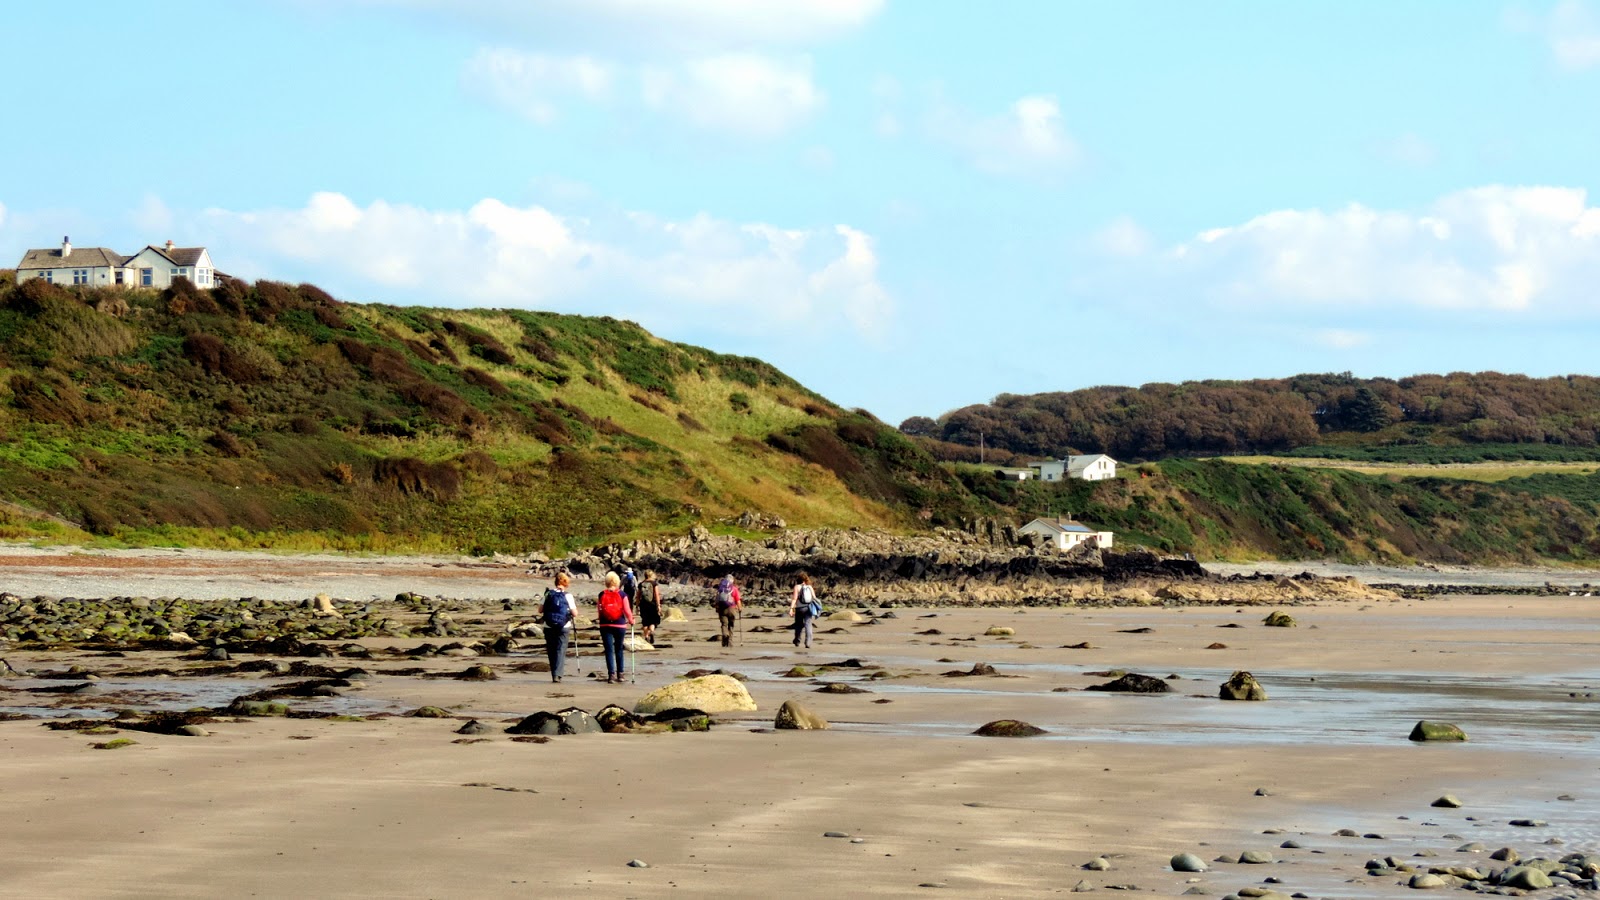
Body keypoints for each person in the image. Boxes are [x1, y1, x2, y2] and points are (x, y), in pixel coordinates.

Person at [596, 571, 634, 683]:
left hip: (605, 624)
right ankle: (620, 674)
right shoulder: (622, 594)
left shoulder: (601, 594)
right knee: (619, 649)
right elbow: (627, 610)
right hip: (619, 624)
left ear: (606, 582)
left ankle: (611, 675)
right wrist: (631, 620)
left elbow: (599, 610)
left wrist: (601, 619)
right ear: (617, 581)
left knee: (608, 650)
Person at [540, 572, 578, 682]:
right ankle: (558, 674)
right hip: (564, 625)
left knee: (551, 650)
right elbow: (574, 613)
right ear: (565, 583)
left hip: (548, 625)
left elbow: (540, 610)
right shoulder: (568, 595)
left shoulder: (548, 594)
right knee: (561, 649)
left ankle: (554, 674)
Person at [788, 572, 819, 649]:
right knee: (808, 624)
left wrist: (791, 609)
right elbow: (814, 598)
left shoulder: (797, 587)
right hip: (808, 608)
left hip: (799, 609)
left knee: (798, 625)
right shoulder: (810, 587)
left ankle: (797, 640)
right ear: (805, 579)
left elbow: (794, 599)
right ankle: (808, 642)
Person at [714, 574, 742, 648]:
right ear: (732, 581)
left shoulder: (720, 589)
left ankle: (724, 636)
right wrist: (740, 609)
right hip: (732, 609)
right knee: (731, 625)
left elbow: (717, 600)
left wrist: (717, 608)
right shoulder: (734, 589)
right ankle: (730, 641)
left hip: (722, 609)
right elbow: (738, 600)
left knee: (724, 625)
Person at [637, 569, 663, 645]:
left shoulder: (641, 584)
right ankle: (651, 631)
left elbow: (638, 596)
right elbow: (657, 595)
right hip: (652, 604)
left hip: (643, 605)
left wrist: (637, 606)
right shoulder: (654, 584)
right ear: (651, 575)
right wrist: (658, 605)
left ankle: (646, 636)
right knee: (653, 620)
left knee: (645, 621)